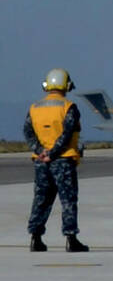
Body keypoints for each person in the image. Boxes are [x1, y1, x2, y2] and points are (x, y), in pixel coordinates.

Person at [24, 68, 88, 252]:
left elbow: (28, 132)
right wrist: (53, 153)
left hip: (41, 161)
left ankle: (35, 238)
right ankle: (71, 238)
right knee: (67, 199)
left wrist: (41, 151)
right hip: (63, 160)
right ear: (66, 85)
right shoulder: (68, 107)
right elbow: (67, 134)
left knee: (41, 199)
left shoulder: (34, 107)